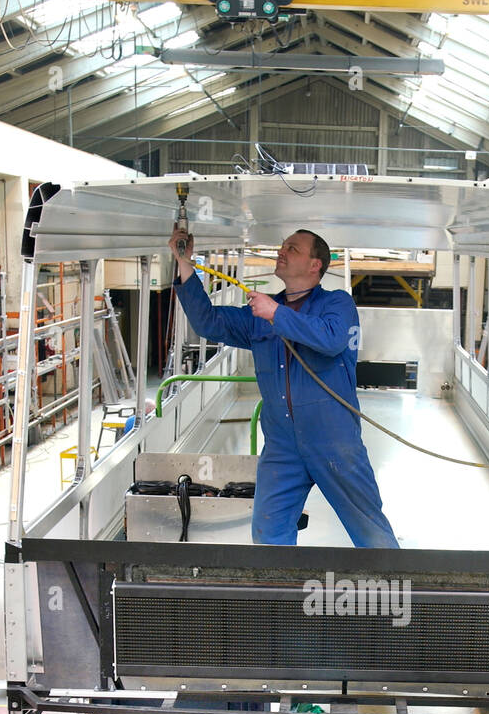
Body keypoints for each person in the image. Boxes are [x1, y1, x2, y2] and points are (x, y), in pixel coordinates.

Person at [168, 226, 399, 549]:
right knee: (268, 535)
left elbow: (331, 340)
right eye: (283, 246)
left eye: (292, 248)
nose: (281, 251)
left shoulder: (337, 303)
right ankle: (277, 597)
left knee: (370, 531)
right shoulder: (258, 315)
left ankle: (396, 592)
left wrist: (276, 313)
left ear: (315, 264)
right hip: (282, 446)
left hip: (334, 441)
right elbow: (209, 322)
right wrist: (184, 262)